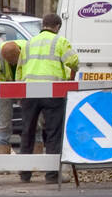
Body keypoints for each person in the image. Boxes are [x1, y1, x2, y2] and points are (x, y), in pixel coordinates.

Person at [17, 13, 79, 183]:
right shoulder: (60, 42)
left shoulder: (29, 43)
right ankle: (51, 175)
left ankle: (24, 173)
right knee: (53, 131)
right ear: (57, 27)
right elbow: (74, 61)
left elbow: (20, 70)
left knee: (27, 131)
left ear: (42, 25)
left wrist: (19, 92)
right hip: (52, 92)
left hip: (29, 92)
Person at [0, 39, 24, 154]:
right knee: (4, 122)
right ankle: (3, 157)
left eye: (15, 61)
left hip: (24, 87)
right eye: (10, 61)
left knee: (32, 120)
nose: (12, 63)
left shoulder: (28, 50)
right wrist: (6, 80)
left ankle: (33, 154)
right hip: (4, 87)